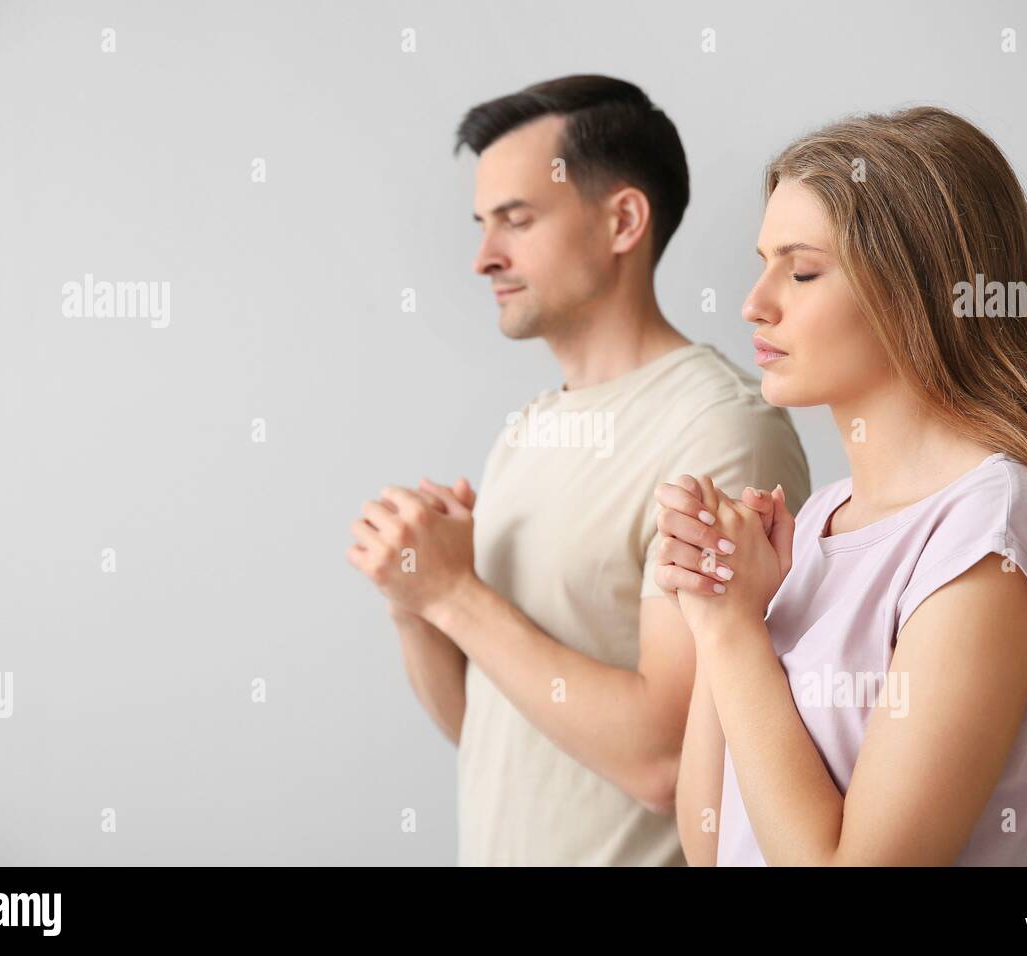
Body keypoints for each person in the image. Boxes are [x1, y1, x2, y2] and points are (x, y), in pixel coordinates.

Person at [654, 106, 1027, 866]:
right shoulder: (818, 522)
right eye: (763, 262)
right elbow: (711, 846)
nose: (755, 302)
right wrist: (718, 613)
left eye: (801, 270)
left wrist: (738, 637)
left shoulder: (990, 535)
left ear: (918, 293)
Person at [347, 75, 810, 865]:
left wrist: (455, 596)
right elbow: (493, 728)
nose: (484, 258)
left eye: (515, 221)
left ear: (623, 220)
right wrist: (412, 600)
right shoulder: (527, 431)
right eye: (482, 225)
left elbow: (663, 764)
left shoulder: (720, 430)